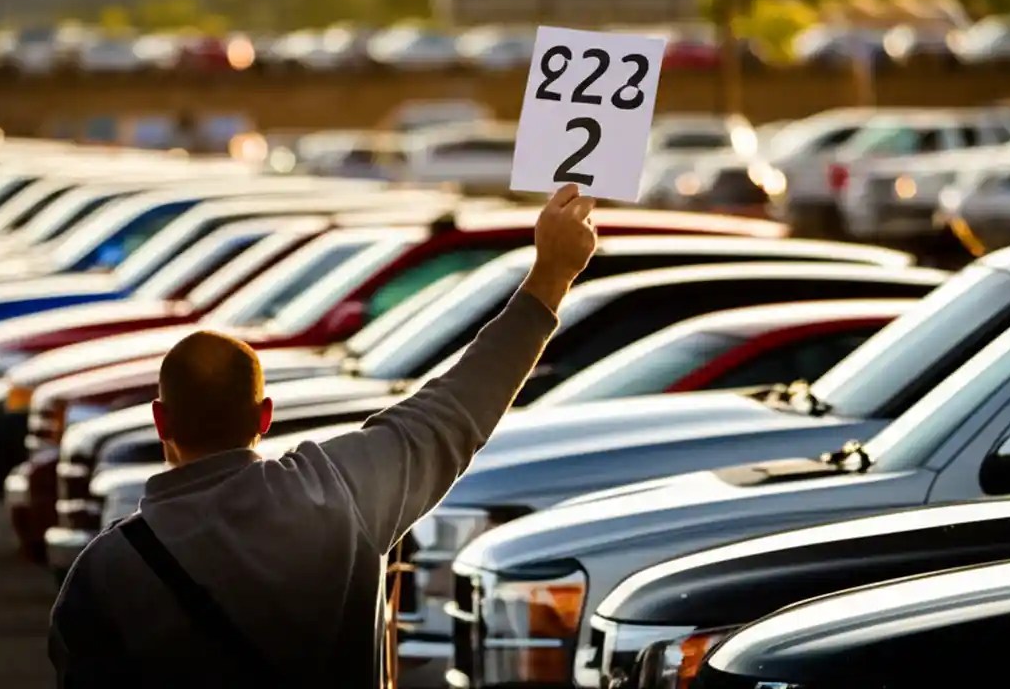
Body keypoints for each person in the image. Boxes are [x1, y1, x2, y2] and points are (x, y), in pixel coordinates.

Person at [48, 184, 598, 688]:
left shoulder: (103, 574)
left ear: (160, 422)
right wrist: (551, 275)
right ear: (264, 416)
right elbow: (460, 403)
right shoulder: (339, 493)